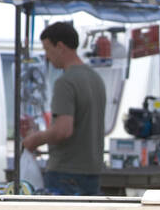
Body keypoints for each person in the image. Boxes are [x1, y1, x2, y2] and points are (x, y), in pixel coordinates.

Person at [21, 21, 107, 196]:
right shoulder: (96, 79)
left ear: (59, 46)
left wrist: (33, 139)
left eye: (47, 49)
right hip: (92, 171)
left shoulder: (65, 82)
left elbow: (63, 130)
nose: (47, 56)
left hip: (66, 172)